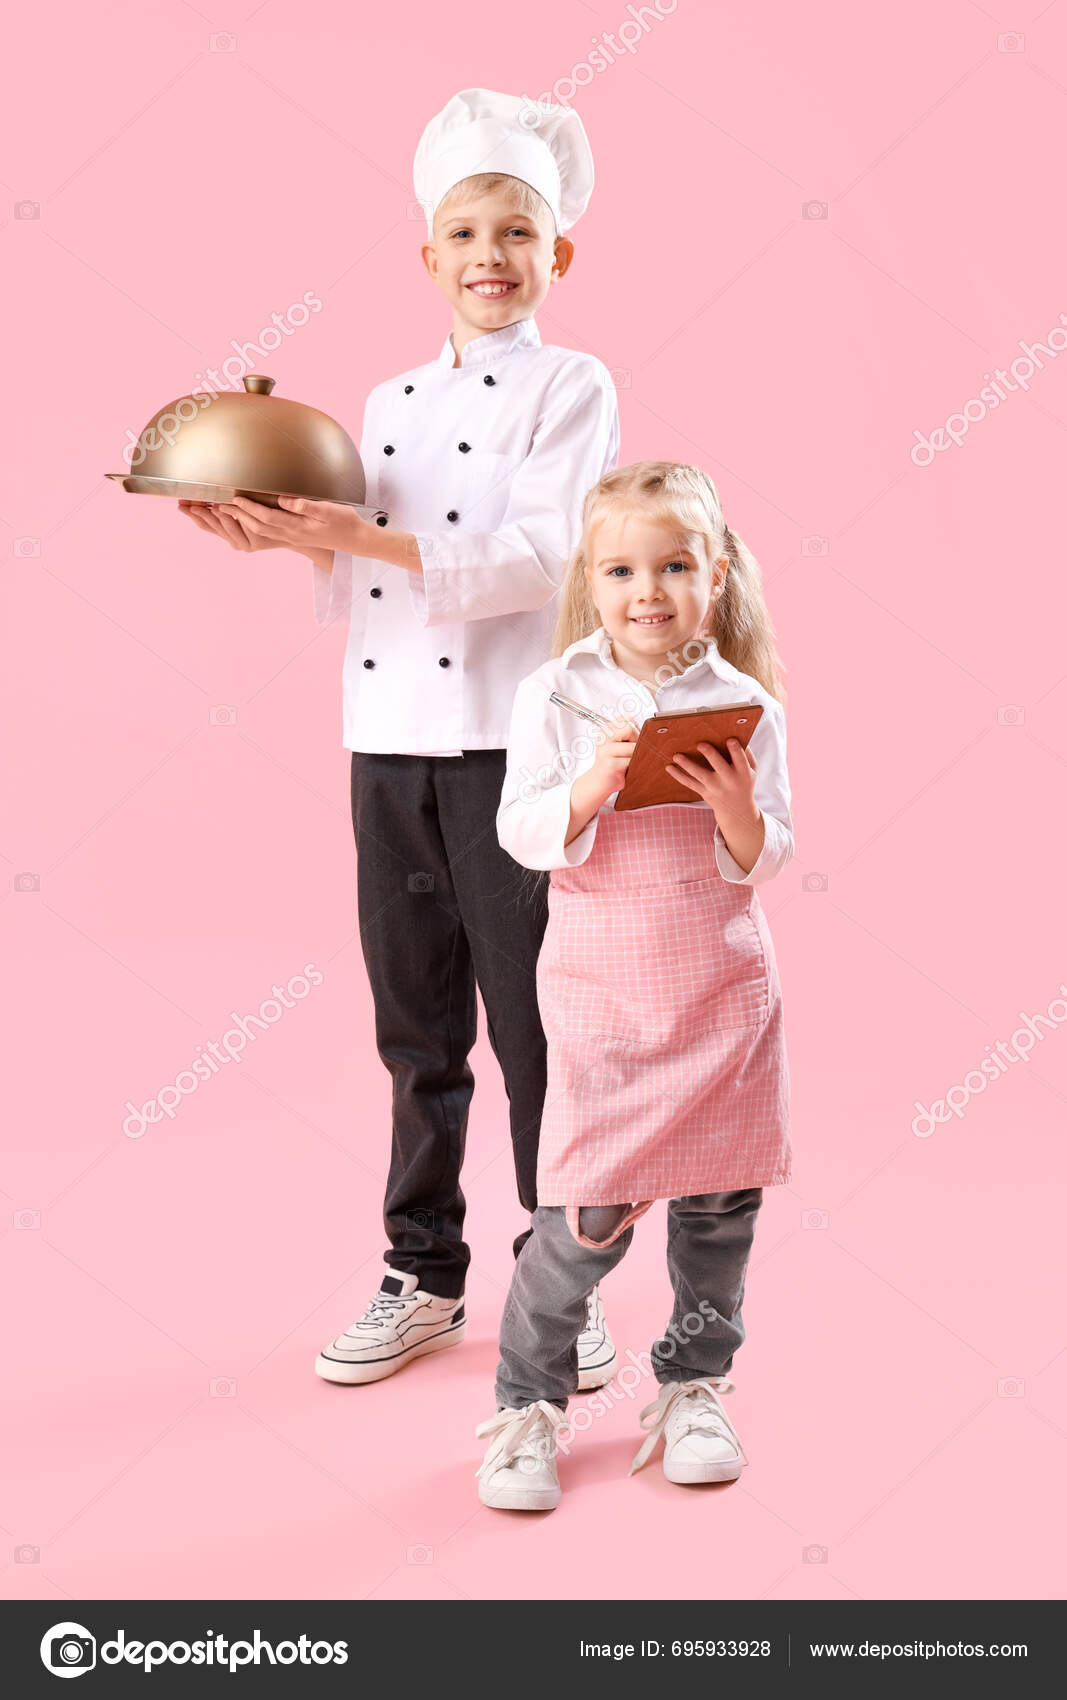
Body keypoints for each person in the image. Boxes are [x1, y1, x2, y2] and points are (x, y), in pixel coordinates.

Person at [178, 90, 621, 1388]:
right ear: (426, 256)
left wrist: (342, 534)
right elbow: (367, 574)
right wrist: (274, 529)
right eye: (464, 231)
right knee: (414, 1031)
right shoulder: (380, 400)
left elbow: (538, 560)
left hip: (509, 750)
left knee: (534, 1026)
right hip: (385, 741)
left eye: (516, 232)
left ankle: (562, 1282)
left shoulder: (573, 386)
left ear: (558, 256)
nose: (491, 253)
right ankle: (420, 1273)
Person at [476, 461, 794, 1509]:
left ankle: (694, 1387)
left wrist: (737, 808)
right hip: (603, 995)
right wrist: (590, 785)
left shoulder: (742, 702)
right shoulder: (554, 692)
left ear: (716, 576)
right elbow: (521, 833)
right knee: (580, 1219)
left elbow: (766, 854)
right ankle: (528, 1401)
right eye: (619, 568)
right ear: (590, 578)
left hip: (718, 993)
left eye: (673, 565)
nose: (645, 588)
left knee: (716, 1214)